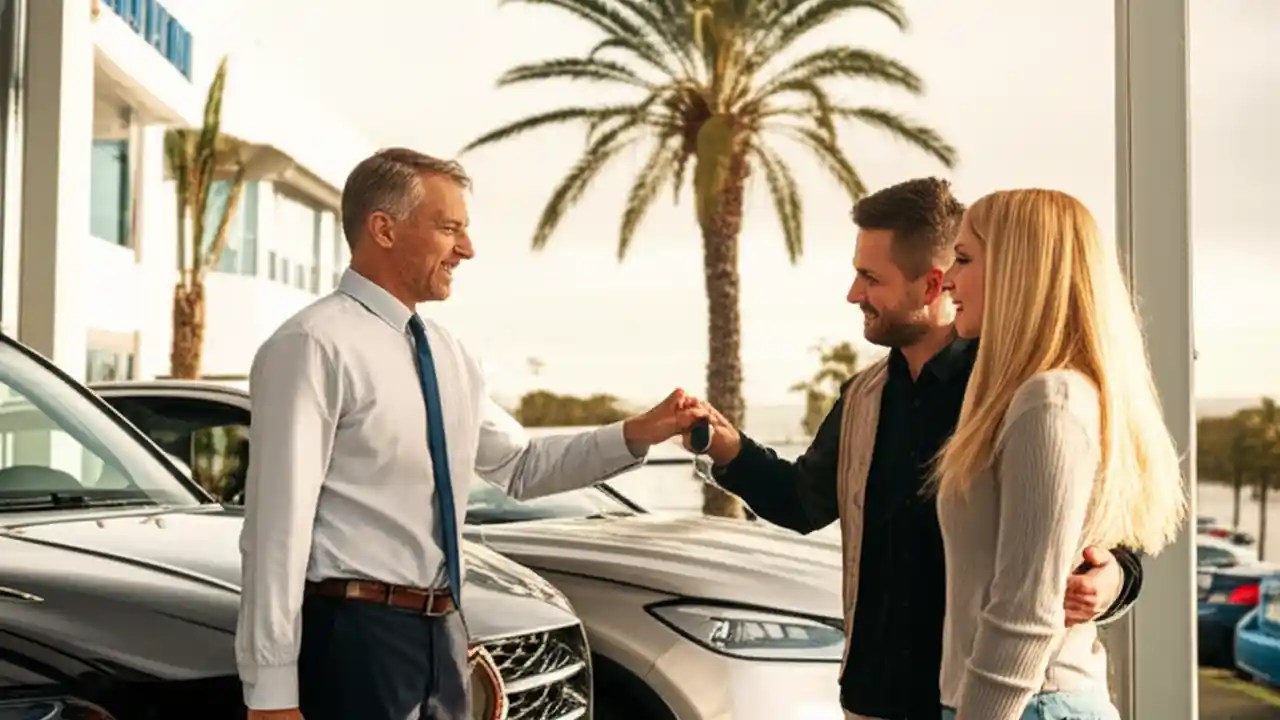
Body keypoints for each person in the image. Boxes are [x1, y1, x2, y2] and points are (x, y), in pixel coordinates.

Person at [236, 147, 708, 720]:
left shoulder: (449, 354)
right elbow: (274, 530)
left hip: (446, 639)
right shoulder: (311, 345)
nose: (467, 248)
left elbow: (523, 466)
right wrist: (272, 694)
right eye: (449, 228)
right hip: (355, 641)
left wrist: (639, 431)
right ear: (383, 229)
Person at [686, 178, 1145, 720]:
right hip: (879, 699)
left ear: (930, 287)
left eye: (869, 277)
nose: (853, 295)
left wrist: (1112, 578)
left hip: (1001, 700)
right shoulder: (864, 397)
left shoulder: (1021, 394)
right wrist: (724, 446)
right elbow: (804, 502)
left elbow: (1098, 541)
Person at [933, 189, 1185, 720]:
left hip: (1030, 706)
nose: (948, 278)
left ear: (1020, 268)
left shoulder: (1050, 402)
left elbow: (1026, 609)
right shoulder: (1036, 398)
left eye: (963, 258)